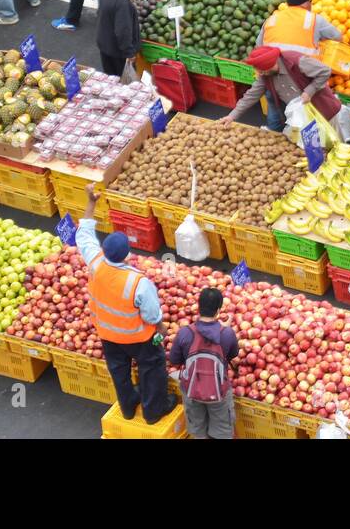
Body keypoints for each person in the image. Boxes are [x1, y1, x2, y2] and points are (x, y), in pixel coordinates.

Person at [78, 185, 175, 424]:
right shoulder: (138, 282)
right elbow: (152, 315)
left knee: (119, 371)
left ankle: (128, 407)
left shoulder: (96, 262)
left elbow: (84, 235)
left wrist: (91, 203)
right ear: (127, 254)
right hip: (139, 338)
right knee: (152, 368)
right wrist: (161, 328)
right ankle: (154, 411)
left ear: (106, 250)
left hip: (108, 334)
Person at [166, 286, 238, 440]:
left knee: (198, 431)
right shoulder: (227, 334)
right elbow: (233, 354)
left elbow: (174, 360)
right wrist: (225, 329)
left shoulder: (185, 333)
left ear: (198, 307)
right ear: (218, 310)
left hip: (192, 390)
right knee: (222, 432)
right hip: (219, 391)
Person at [223, 45, 339, 133]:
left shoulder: (297, 61)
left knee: (332, 145)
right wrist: (232, 116)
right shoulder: (265, 76)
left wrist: (309, 91)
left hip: (323, 111)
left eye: (261, 70)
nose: (260, 73)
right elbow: (251, 95)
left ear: (270, 65)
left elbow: (325, 71)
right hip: (302, 118)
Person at [258, 0, 341, 53]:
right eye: (310, 1)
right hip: (300, 70)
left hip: (272, 69)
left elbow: (259, 45)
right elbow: (337, 37)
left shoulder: (271, 19)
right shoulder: (315, 20)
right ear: (306, 3)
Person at [96, 0, 140, 80]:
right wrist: (129, 53)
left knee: (111, 81)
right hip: (118, 52)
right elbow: (123, 31)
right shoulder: (122, 0)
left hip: (104, 45)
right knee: (126, 85)